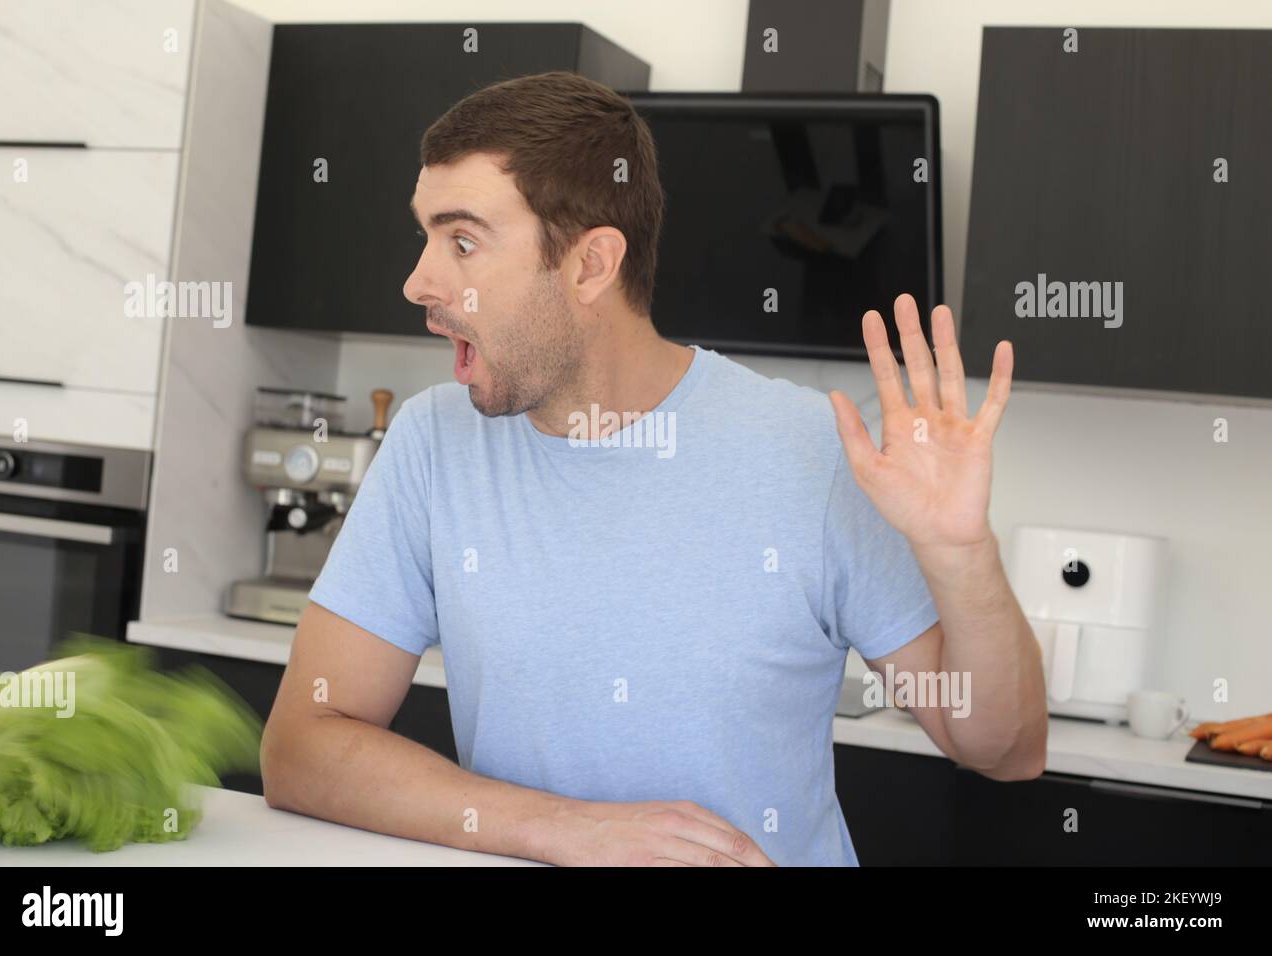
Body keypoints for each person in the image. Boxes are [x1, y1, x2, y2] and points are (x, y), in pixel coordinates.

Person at [260, 70, 1047, 866]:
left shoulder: (813, 449)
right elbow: (302, 747)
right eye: (425, 237)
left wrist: (961, 552)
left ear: (591, 266)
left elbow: (1003, 749)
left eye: (461, 240)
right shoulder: (433, 443)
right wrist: (569, 829)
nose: (418, 282)